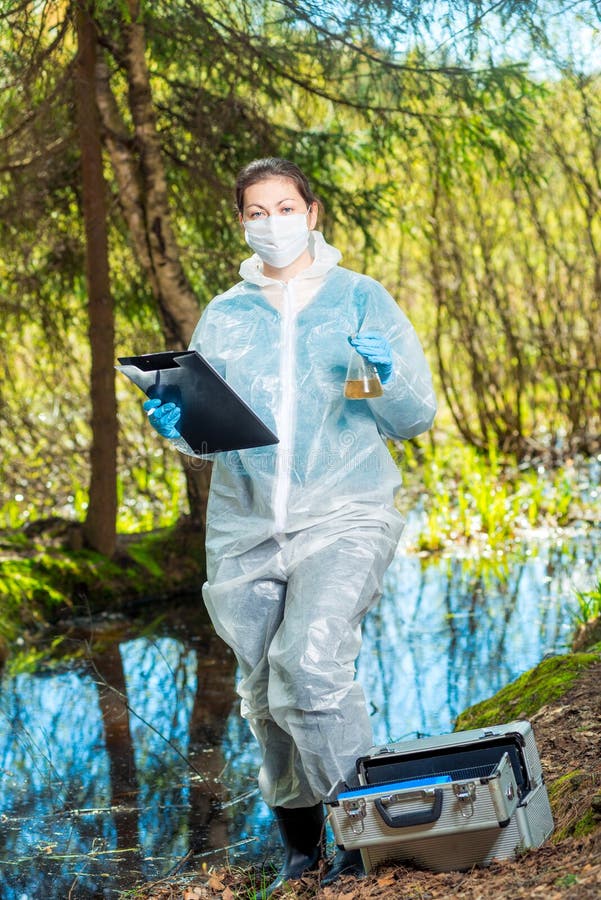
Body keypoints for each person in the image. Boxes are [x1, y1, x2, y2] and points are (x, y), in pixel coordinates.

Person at [144, 158, 437, 894]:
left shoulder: (359, 300)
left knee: (308, 667)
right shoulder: (225, 314)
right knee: (259, 692)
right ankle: (300, 848)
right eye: (254, 212)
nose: (270, 223)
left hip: (344, 511)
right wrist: (174, 425)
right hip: (245, 525)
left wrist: (390, 375)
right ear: (240, 222)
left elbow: (411, 420)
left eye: (283, 208)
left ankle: (362, 837)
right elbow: (211, 429)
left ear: (311, 212)